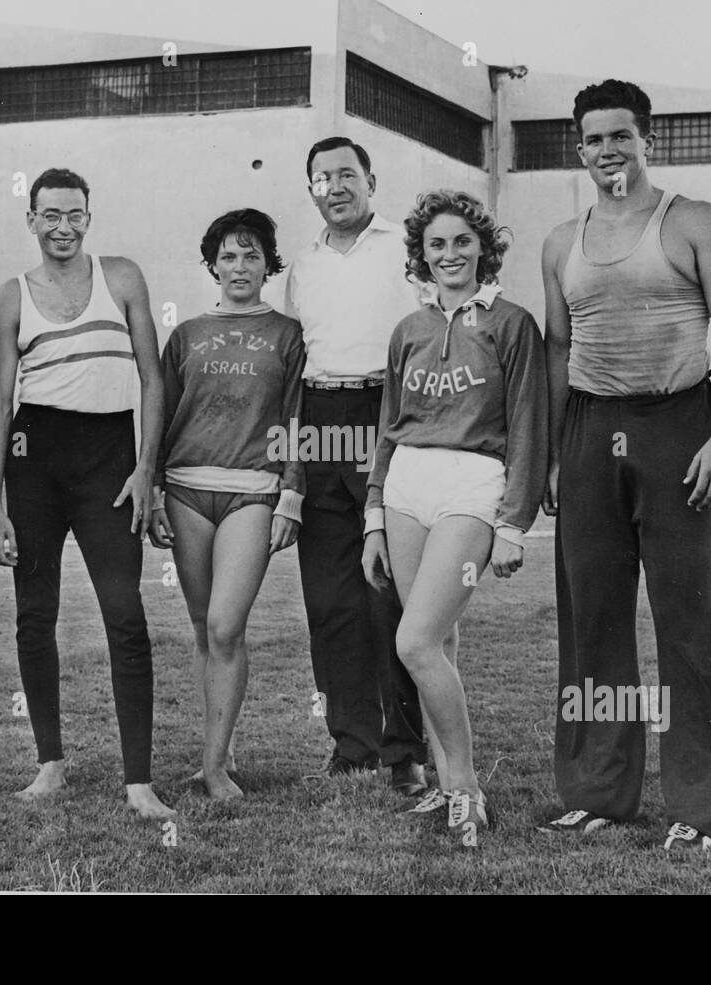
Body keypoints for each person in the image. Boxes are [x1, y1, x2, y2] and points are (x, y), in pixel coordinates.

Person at [540, 80, 711, 850]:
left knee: (691, 621)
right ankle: (600, 791)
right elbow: (559, 350)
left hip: (679, 427)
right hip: (591, 431)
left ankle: (697, 808)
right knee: (592, 621)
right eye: (594, 138)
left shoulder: (692, 220)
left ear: (648, 140)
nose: (608, 151)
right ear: (579, 147)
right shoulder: (562, 241)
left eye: (621, 136)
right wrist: (555, 457)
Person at [0, 167, 173, 820]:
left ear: (89, 218)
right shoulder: (13, 296)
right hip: (33, 461)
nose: (62, 226)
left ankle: (139, 780)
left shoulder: (121, 277)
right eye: (50, 215)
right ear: (30, 219)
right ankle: (50, 762)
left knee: (125, 613)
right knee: (35, 613)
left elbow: (152, 379)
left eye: (74, 215)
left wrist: (147, 469)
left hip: (109, 463)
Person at [362, 190, 546, 838]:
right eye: (437, 244)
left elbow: (528, 427)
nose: (449, 254)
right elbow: (389, 426)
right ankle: (445, 785)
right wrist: (375, 517)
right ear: (422, 253)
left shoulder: (512, 323)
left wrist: (512, 524)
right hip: (408, 481)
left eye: (462, 242)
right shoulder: (407, 330)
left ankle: (465, 787)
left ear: (483, 248)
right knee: (434, 642)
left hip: (474, 484)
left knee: (412, 641)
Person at [284, 137, 429, 795]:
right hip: (320, 416)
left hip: (386, 409)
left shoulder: (406, 245)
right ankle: (353, 742)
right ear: (311, 188)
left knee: (389, 587)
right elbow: (294, 360)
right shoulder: (303, 264)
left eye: (347, 174)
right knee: (331, 594)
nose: (335, 185)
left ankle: (405, 747)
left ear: (372, 179)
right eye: (322, 177)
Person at [149, 209, 305, 800]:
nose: (240, 266)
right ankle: (220, 753)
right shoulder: (185, 333)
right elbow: (161, 416)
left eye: (252, 255)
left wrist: (292, 491)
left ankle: (214, 772)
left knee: (225, 624)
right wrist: (156, 489)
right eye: (229, 256)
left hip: (254, 491)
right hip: (186, 488)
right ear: (212, 263)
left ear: (269, 264)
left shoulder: (288, 334)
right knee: (200, 627)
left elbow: (297, 415)